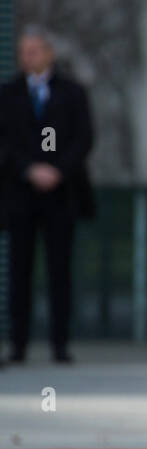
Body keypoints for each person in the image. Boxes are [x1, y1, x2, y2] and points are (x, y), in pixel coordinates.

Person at [1, 26, 94, 365]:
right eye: (24, 51)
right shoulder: (7, 94)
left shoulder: (72, 92)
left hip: (61, 194)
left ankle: (59, 344)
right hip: (20, 196)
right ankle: (18, 345)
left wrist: (57, 171)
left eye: (36, 50)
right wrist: (29, 169)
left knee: (60, 272)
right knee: (18, 271)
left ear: (49, 53)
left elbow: (83, 138)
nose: (29, 57)